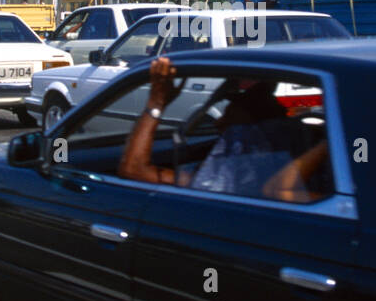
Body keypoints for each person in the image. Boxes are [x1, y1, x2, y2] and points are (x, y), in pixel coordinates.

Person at [118, 57, 330, 202]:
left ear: (250, 132)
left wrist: (157, 102)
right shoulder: (314, 157)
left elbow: (133, 170)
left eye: (228, 120)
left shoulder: (234, 172)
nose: (218, 125)